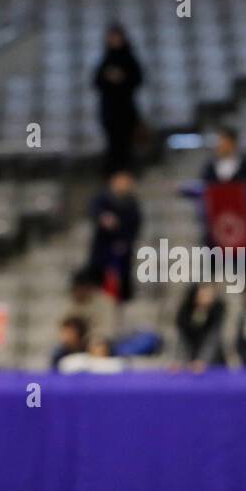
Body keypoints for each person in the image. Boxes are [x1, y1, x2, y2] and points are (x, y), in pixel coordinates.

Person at [92, 24, 143, 173]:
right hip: (109, 111)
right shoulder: (105, 60)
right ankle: (113, 176)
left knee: (126, 145)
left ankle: (127, 174)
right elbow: (96, 82)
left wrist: (122, 78)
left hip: (126, 110)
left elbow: (138, 80)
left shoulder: (130, 59)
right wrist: (109, 79)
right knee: (113, 145)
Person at [87, 170, 142, 303]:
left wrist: (125, 241)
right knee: (98, 280)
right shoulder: (102, 199)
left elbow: (135, 226)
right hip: (102, 248)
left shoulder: (132, 203)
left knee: (121, 283)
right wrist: (103, 218)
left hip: (122, 250)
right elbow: (95, 212)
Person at [174, 283, 226, 370]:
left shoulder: (217, 312)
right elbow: (182, 340)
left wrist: (203, 360)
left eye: (209, 294)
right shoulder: (185, 312)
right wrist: (179, 360)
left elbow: (213, 339)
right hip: (190, 361)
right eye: (203, 294)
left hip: (214, 362)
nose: (207, 297)